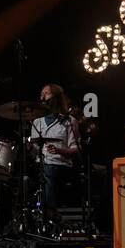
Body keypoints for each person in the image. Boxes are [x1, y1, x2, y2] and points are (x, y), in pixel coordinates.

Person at [28, 83, 80, 222]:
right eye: (41, 93)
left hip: (60, 163)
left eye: (46, 93)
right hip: (41, 163)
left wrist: (60, 150)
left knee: (49, 170)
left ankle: (50, 213)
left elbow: (76, 149)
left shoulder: (69, 121)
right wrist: (30, 148)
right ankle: (41, 215)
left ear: (56, 97)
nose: (42, 96)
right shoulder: (37, 121)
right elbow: (35, 151)